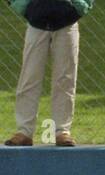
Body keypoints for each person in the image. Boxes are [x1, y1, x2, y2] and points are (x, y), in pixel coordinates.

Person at [5, 0, 93, 148]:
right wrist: (26, 8)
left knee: (65, 79)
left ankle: (62, 131)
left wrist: (79, 7)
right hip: (36, 22)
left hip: (67, 22)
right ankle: (24, 131)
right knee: (29, 77)